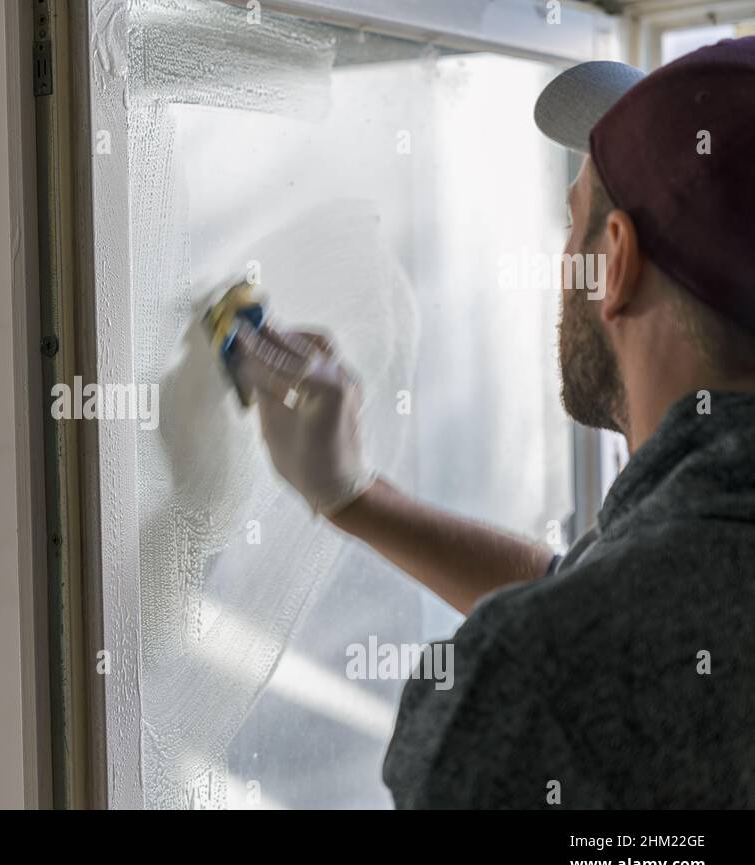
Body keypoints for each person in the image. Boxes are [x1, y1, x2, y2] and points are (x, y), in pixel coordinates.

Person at [233, 37, 755, 808]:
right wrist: (354, 496)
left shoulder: (532, 692)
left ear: (614, 263)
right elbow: (610, 585)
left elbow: (596, 627)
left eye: (571, 220)